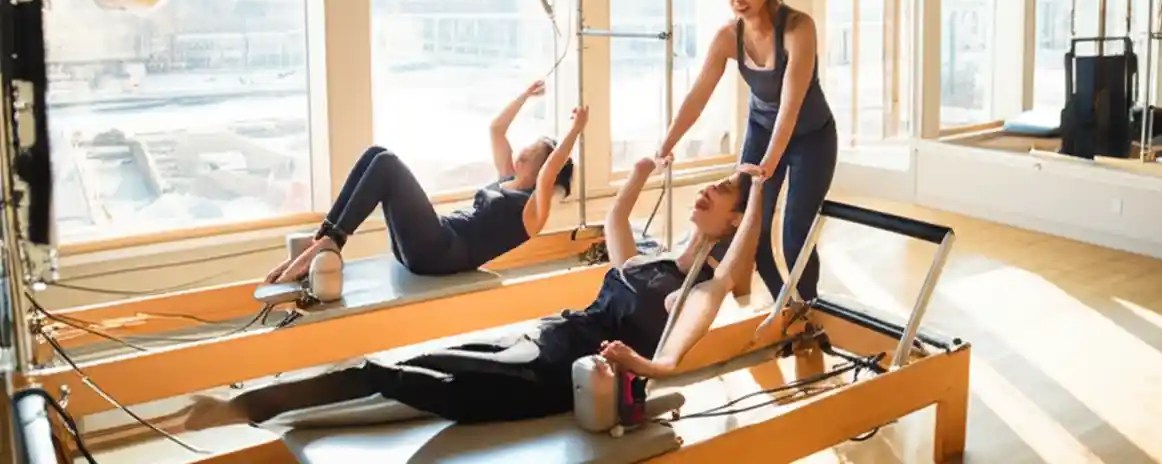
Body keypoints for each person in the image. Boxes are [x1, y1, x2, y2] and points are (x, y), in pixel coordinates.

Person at [185, 158, 766, 429]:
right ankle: (248, 406)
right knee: (393, 369)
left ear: (733, 222)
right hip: (541, 342)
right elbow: (617, 217)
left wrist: (759, 193)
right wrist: (641, 171)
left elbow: (667, 361)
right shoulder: (647, 261)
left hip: (555, 376)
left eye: (722, 192)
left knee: (403, 382)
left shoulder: (696, 290)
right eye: (714, 183)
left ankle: (243, 410)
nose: (707, 189)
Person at [656, 0, 835, 301]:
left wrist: (768, 163)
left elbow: (790, 104)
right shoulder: (728, 36)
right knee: (750, 228)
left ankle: (808, 308)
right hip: (762, 128)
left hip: (811, 138)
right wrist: (667, 143)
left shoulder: (798, 28)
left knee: (794, 233)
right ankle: (779, 306)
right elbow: (698, 95)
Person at [266, 80, 584, 281]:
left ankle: (330, 242)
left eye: (533, 153)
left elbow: (551, 168)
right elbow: (496, 130)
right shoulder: (507, 180)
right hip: (429, 244)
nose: (523, 153)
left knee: (388, 165)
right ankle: (324, 239)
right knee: (377, 154)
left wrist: (574, 130)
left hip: (439, 252)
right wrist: (525, 96)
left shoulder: (532, 213)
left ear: (547, 171)